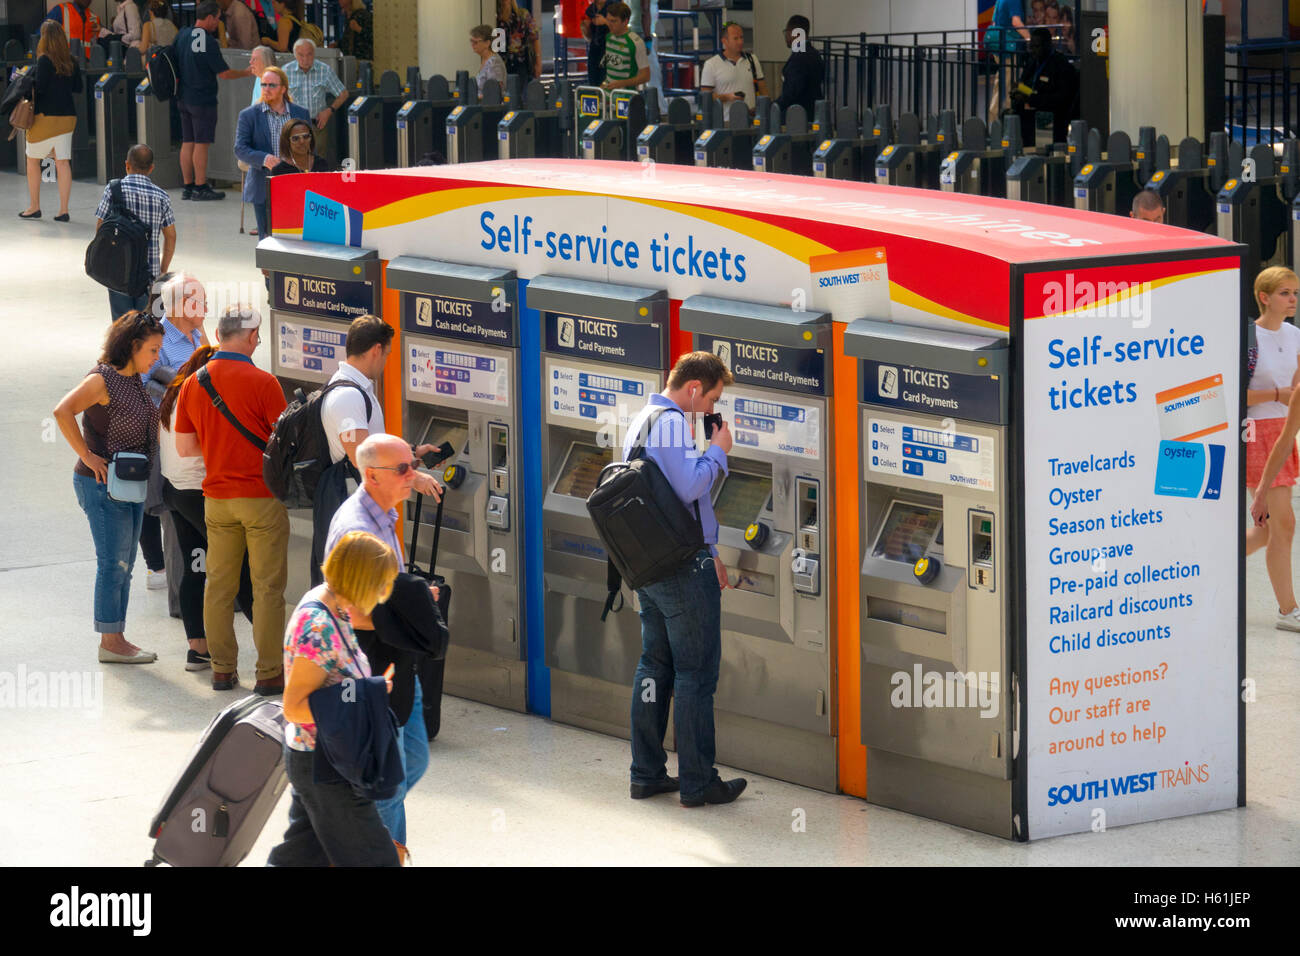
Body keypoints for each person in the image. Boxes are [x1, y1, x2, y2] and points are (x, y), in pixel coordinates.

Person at [622, 350, 747, 808]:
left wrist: (710, 551)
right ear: (693, 388)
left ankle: (647, 773)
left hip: (649, 565)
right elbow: (691, 488)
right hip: (678, 570)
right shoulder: (673, 423)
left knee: (655, 665)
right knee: (696, 673)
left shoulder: (643, 419)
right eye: (712, 397)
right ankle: (698, 782)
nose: (712, 408)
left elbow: (669, 501)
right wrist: (719, 451)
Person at [324, 435, 443, 861]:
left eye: (413, 464)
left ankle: (360, 818)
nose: (413, 475)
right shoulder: (356, 528)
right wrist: (409, 614)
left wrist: (410, 598)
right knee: (389, 782)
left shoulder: (384, 515)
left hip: (397, 666)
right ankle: (381, 852)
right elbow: (350, 609)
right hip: (371, 667)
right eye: (403, 470)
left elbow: (380, 591)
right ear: (371, 476)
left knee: (412, 758)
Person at [266, 530, 401, 867]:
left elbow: (336, 682)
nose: (384, 594)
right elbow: (295, 707)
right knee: (376, 860)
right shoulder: (318, 626)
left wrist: (367, 688)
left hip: (318, 758)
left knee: (301, 857)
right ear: (359, 580)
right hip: (326, 764)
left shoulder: (333, 603)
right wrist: (364, 693)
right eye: (381, 584)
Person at [173, 305, 289, 694]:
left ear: (220, 334)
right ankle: (270, 673)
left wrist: (220, 445)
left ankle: (222, 670)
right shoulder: (264, 383)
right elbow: (282, 445)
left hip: (216, 499)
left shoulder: (194, 382)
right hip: (260, 498)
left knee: (218, 586)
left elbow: (187, 449)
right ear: (252, 335)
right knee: (266, 587)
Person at [53, 310, 164, 665]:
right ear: (132, 346)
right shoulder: (103, 380)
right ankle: (110, 640)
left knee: (125, 563)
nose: (156, 357)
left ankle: (116, 636)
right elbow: (62, 411)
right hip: (101, 486)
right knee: (112, 564)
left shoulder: (135, 380)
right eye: (152, 350)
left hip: (128, 486)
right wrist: (87, 455)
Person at [312, 315, 442, 584]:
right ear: (376, 350)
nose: (386, 362)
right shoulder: (348, 396)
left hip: (359, 496)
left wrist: (412, 452)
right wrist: (413, 478)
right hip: (347, 495)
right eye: (387, 354)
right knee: (359, 584)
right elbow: (362, 457)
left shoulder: (355, 389)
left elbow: (371, 445)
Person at [159, 345, 257, 671]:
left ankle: (197, 649)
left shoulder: (171, 398)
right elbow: (198, 449)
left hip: (174, 492)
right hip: (199, 494)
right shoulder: (197, 398)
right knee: (241, 568)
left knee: (195, 566)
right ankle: (276, 646)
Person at [1244, 267, 1300, 632]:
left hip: (1283, 430)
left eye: (1294, 293)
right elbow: (1237, 394)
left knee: (1270, 530)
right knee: (1283, 523)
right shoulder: (1249, 337)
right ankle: (1288, 610)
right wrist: (1280, 394)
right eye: (1284, 292)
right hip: (1257, 430)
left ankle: (1212, 561)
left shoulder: (1295, 335)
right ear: (1264, 297)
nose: (1292, 299)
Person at [174, 1, 255, 201]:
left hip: (183, 97)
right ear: (209, 17)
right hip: (202, 99)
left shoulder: (182, 34)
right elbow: (225, 73)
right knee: (201, 144)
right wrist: (246, 72)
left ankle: (188, 186)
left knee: (187, 141)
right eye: (217, 18)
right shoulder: (207, 41)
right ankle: (201, 187)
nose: (218, 22)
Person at [94, 144, 177, 319]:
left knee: (122, 325)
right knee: (149, 329)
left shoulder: (114, 189)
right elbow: (171, 236)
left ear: (127, 165)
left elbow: (101, 227)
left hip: (118, 270)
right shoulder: (162, 197)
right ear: (152, 168)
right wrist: (162, 271)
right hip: (149, 275)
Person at [235, 64, 309, 239]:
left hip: (293, 185)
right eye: (263, 85)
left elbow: (309, 147)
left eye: (271, 85)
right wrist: (264, 158)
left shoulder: (300, 114)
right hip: (263, 185)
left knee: (293, 239)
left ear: (283, 89)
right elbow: (240, 149)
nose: (266, 89)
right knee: (267, 240)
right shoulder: (249, 115)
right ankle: (270, 268)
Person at [19, 21, 81, 223]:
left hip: (46, 118)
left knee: (32, 160)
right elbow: (78, 87)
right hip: (67, 119)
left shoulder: (44, 60)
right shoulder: (72, 60)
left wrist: (27, 79)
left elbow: (41, 88)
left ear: (45, 39)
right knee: (62, 162)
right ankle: (63, 210)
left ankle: (34, 206)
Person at [1009, 27, 1078, 149]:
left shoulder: (1060, 65)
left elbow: (1061, 99)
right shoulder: (1032, 63)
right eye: (1032, 47)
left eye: (1037, 47)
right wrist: (1020, 90)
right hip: (1029, 120)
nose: (1033, 51)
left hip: (1052, 121)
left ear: (1047, 45)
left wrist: (1031, 99)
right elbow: (1029, 87)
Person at [283, 38, 347, 158]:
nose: (305, 59)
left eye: (309, 54)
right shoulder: (286, 71)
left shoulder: (324, 70)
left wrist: (329, 111)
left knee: (318, 161)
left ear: (314, 53)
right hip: (293, 125)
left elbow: (343, 94)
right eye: (301, 55)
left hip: (317, 126)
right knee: (294, 161)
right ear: (295, 54)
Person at [700, 22, 767, 110]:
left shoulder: (752, 60)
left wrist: (763, 110)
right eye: (735, 38)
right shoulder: (711, 64)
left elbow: (763, 91)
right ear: (724, 41)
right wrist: (727, 97)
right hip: (725, 121)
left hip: (750, 119)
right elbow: (706, 98)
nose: (740, 41)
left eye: (741, 37)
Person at [775, 14, 824, 122]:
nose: (785, 36)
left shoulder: (799, 58)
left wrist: (774, 106)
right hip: (814, 114)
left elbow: (792, 91)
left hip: (797, 118)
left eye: (787, 31)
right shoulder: (815, 54)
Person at [599, 3, 648, 92]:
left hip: (626, 96)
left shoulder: (636, 42)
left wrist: (622, 83)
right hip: (607, 94)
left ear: (625, 21)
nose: (609, 24)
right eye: (608, 20)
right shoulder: (609, 37)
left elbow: (645, 76)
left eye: (614, 21)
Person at [497, 0, 541, 81]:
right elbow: (495, 47)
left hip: (521, 63)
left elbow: (535, 37)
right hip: (502, 64)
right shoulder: (496, 19)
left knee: (522, 90)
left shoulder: (522, 15)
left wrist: (538, 62)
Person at [469, 24, 507, 95]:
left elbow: (495, 92)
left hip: (489, 105)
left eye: (475, 42)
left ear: (487, 43)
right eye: (471, 41)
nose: (472, 44)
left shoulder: (494, 63)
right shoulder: (485, 60)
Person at [582, 0, 610, 86]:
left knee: (605, 81)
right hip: (595, 49)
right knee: (593, 81)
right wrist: (585, 28)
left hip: (610, 49)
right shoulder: (590, 10)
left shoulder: (614, 6)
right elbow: (588, 36)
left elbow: (622, 29)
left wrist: (605, 22)